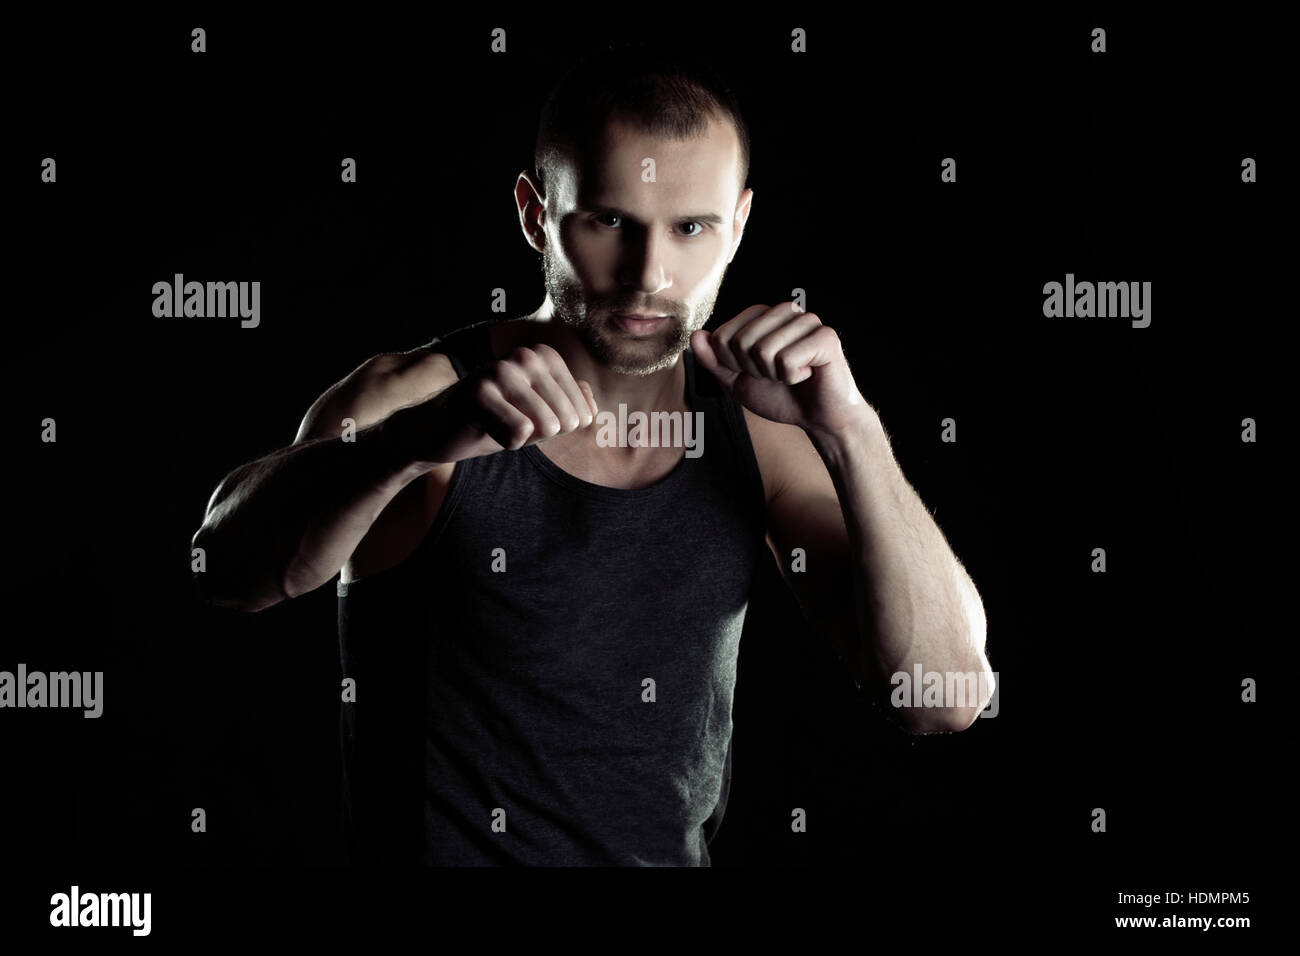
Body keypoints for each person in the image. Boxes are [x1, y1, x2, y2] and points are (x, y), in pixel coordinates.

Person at [191, 44, 993, 866]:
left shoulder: (757, 433)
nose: (650, 274)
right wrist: (404, 448)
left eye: (690, 228)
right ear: (537, 213)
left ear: (738, 226)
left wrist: (852, 431)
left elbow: (946, 699)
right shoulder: (418, 401)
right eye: (611, 221)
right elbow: (220, 570)